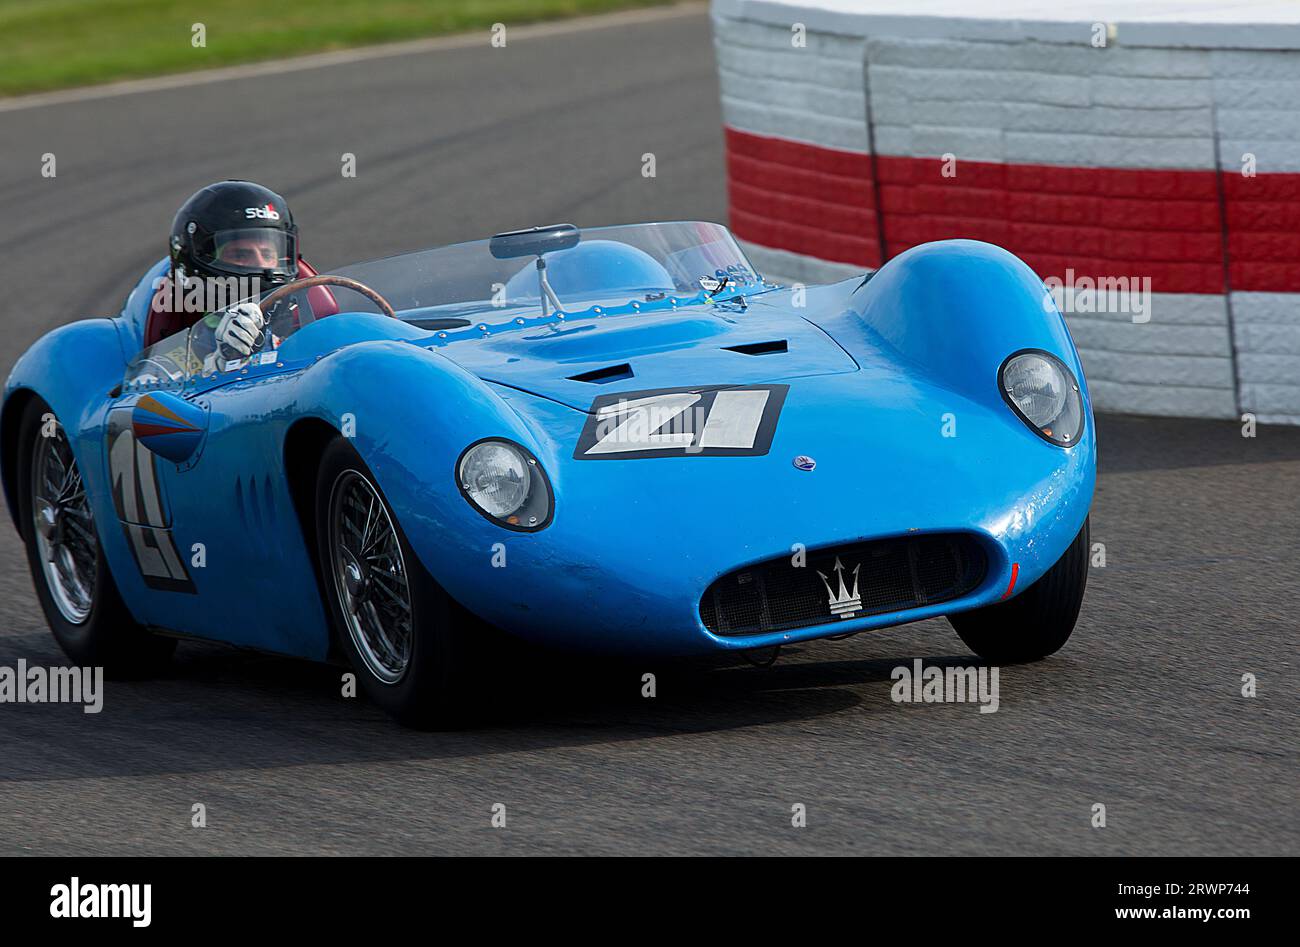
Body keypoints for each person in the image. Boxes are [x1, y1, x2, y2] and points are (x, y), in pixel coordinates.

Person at [149, 180, 300, 361]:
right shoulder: (172, 361)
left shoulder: (311, 319)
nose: (262, 265)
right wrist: (220, 365)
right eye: (240, 254)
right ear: (196, 263)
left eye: (267, 254)